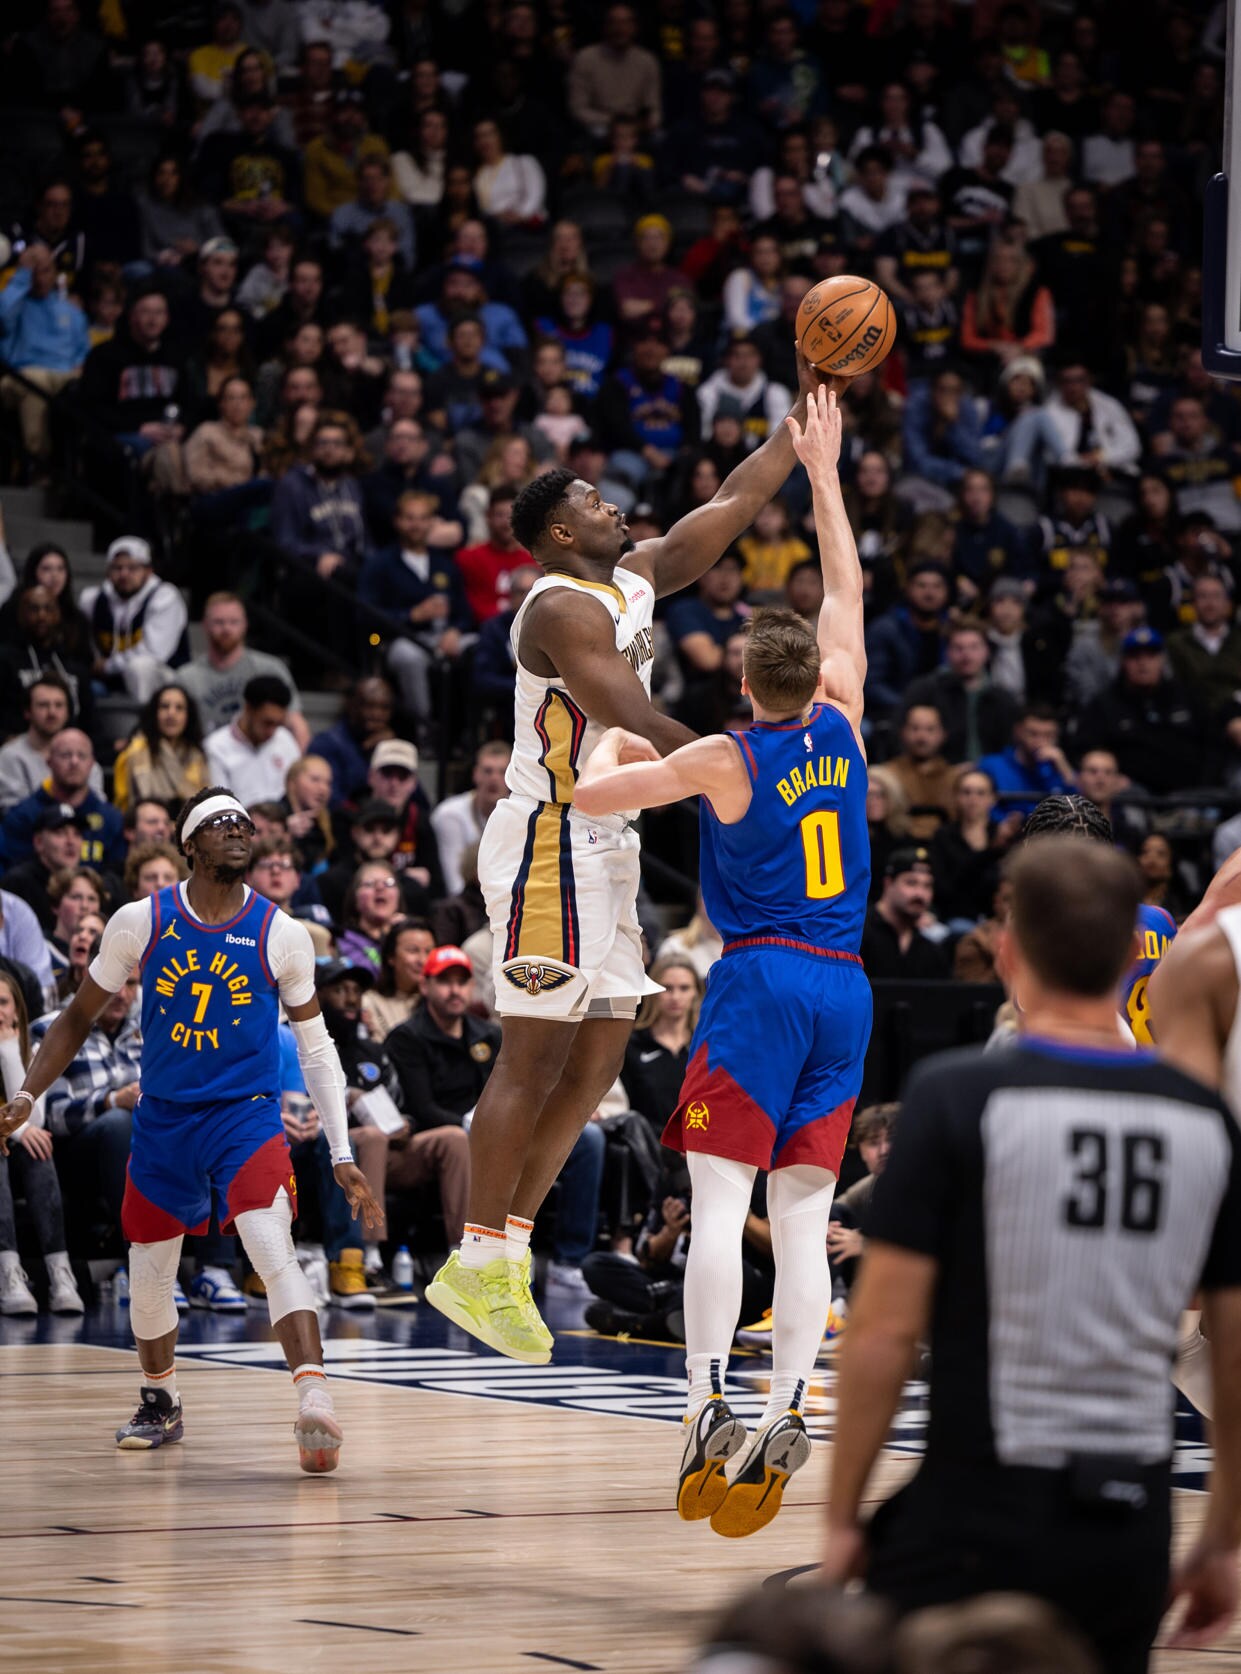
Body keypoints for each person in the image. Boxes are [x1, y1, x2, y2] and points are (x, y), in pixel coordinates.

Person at [424, 355, 829, 1367]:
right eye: (596, 502)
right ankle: (476, 1254)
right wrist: (744, 767)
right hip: (550, 838)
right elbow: (632, 717)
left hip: (608, 844)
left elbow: (731, 504)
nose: (616, 510)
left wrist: (804, 414)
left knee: (602, 1049)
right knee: (531, 1052)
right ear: (562, 530)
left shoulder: (633, 578)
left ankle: (504, 1253)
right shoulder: (559, 607)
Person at [825, 835, 1241, 1674]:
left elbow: (880, 1335)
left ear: (1007, 950)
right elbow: (1232, 1357)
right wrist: (1223, 1535)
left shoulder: (956, 1094)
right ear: (1134, 958)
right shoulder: (1201, 1122)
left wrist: (840, 1518)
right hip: (1131, 1520)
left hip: (977, 1499)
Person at [574, 382, 870, 1536]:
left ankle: (703, 1405)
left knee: (714, 1208)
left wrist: (602, 723)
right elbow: (843, 590)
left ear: (746, 685)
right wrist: (825, 474)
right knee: (800, 1223)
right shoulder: (843, 718)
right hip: (844, 993)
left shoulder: (715, 757)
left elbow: (598, 792)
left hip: (754, 983)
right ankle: (790, 1402)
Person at [0, 787, 381, 1474]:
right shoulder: (140, 921)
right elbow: (77, 1017)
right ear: (190, 844)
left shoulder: (281, 932)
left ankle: (315, 1398)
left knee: (271, 1244)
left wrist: (341, 1149)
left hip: (245, 1115)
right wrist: (28, 1091)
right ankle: (161, 1399)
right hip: (165, 1116)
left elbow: (318, 1048)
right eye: (220, 824)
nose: (238, 831)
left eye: (244, 823)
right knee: (150, 1272)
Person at [0, 968, 83, 1316]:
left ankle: (60, 1273)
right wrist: (14, 1131)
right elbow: (23, 1127)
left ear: (17, 1010)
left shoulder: (31, 1049)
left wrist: (6, 1050)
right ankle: (8, 1273)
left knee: (40, 1148)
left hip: (20, 1153)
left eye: (3, 1002)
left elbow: (33, 1116)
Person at [178, 593, 308, 750]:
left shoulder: (269, 669)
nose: (226, 629)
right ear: (205, 625)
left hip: (262, 755)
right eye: (219, 622)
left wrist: (298, 768)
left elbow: (295, 723)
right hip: (205, 760)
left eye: (234, 622)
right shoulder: (187, 677)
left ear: (245, 625)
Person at [80, 537, 188, 705]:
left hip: (164, 679)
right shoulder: (93, 600)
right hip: (113, 679)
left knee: (139, 667)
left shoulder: (164, 597)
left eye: (132, 568)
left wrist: (108, 666)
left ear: (149, 570)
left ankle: (147, 725)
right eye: (117, 568)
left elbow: (154, 653)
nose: (124, 574)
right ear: (108, 572)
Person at [204, 675, 301, 807]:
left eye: (278, 724)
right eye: (267, 723)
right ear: (248, 709)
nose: (272, 731)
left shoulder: (285, 740)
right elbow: (219, 805)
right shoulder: (216, 746)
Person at [430, 742, 511, 898]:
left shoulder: (524, 816)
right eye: (487, 771)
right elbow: (455, 884)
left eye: (502, 772)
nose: (494, 778)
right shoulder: (449, 815)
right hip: (466, 905)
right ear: (475, 774)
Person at [112, 684, 209, 815]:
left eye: (179, 708)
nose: (171, 713)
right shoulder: (137, 751)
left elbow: (206, 805)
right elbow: (134, 804)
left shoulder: (196, 755)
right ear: (154, 713)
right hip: (146, 825)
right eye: (164, 706)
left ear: (188, 716)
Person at [861, 845, 953, 979]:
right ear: (888, 884)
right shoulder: (860, 932)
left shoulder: (930, 947)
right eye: (911, 883)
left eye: (927, 886)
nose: (920, 894)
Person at [361, 918, 434, 1042]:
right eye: (413, 950)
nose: (423, 960)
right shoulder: (369, 1002)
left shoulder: (441, 1001)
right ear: (391, 957)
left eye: (429, 951)